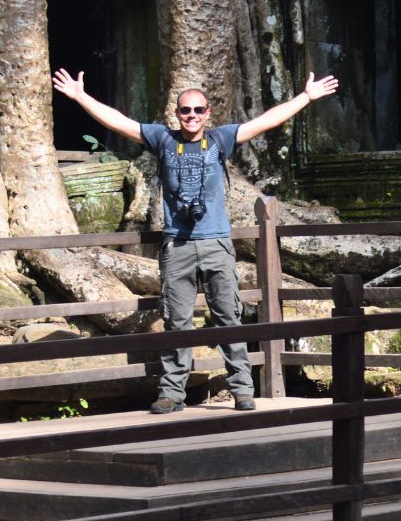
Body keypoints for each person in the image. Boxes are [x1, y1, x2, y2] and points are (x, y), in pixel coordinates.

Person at [51, 68, 339, 413]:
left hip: (217, 242)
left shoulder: (221, 139)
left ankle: (242, 390)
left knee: (227, 317)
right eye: (185, 110)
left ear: (208, 114)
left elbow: (266, 121)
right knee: (176, 320)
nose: (191, 116)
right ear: (176, 114)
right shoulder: (162, 139)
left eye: (198, 110)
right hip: (178, 245)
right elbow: (119, 122)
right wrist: (81, 96)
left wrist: (306, 97)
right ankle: (172, 393)